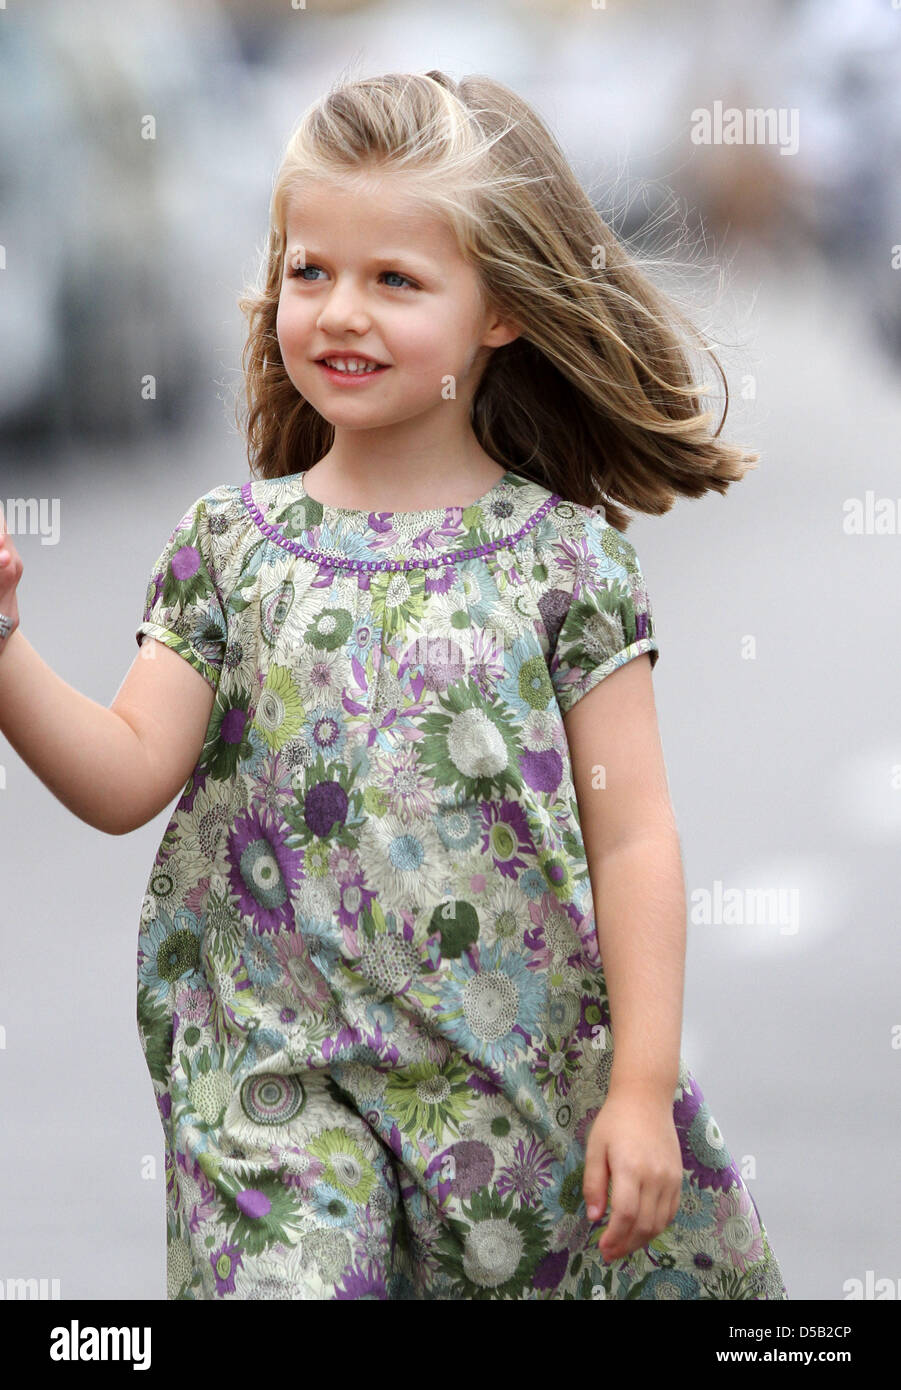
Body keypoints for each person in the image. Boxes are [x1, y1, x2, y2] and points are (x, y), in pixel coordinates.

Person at [0, 69, 789, 1301]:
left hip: (511, 1093)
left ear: (501, 312)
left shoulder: (564, 562)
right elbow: (122, 775)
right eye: (310, 272)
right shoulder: (231, 549)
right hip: (274, 1095)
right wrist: (4, 648)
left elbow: (632, 836)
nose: (339, 313)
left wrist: (637, 1087)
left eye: (395, 281)